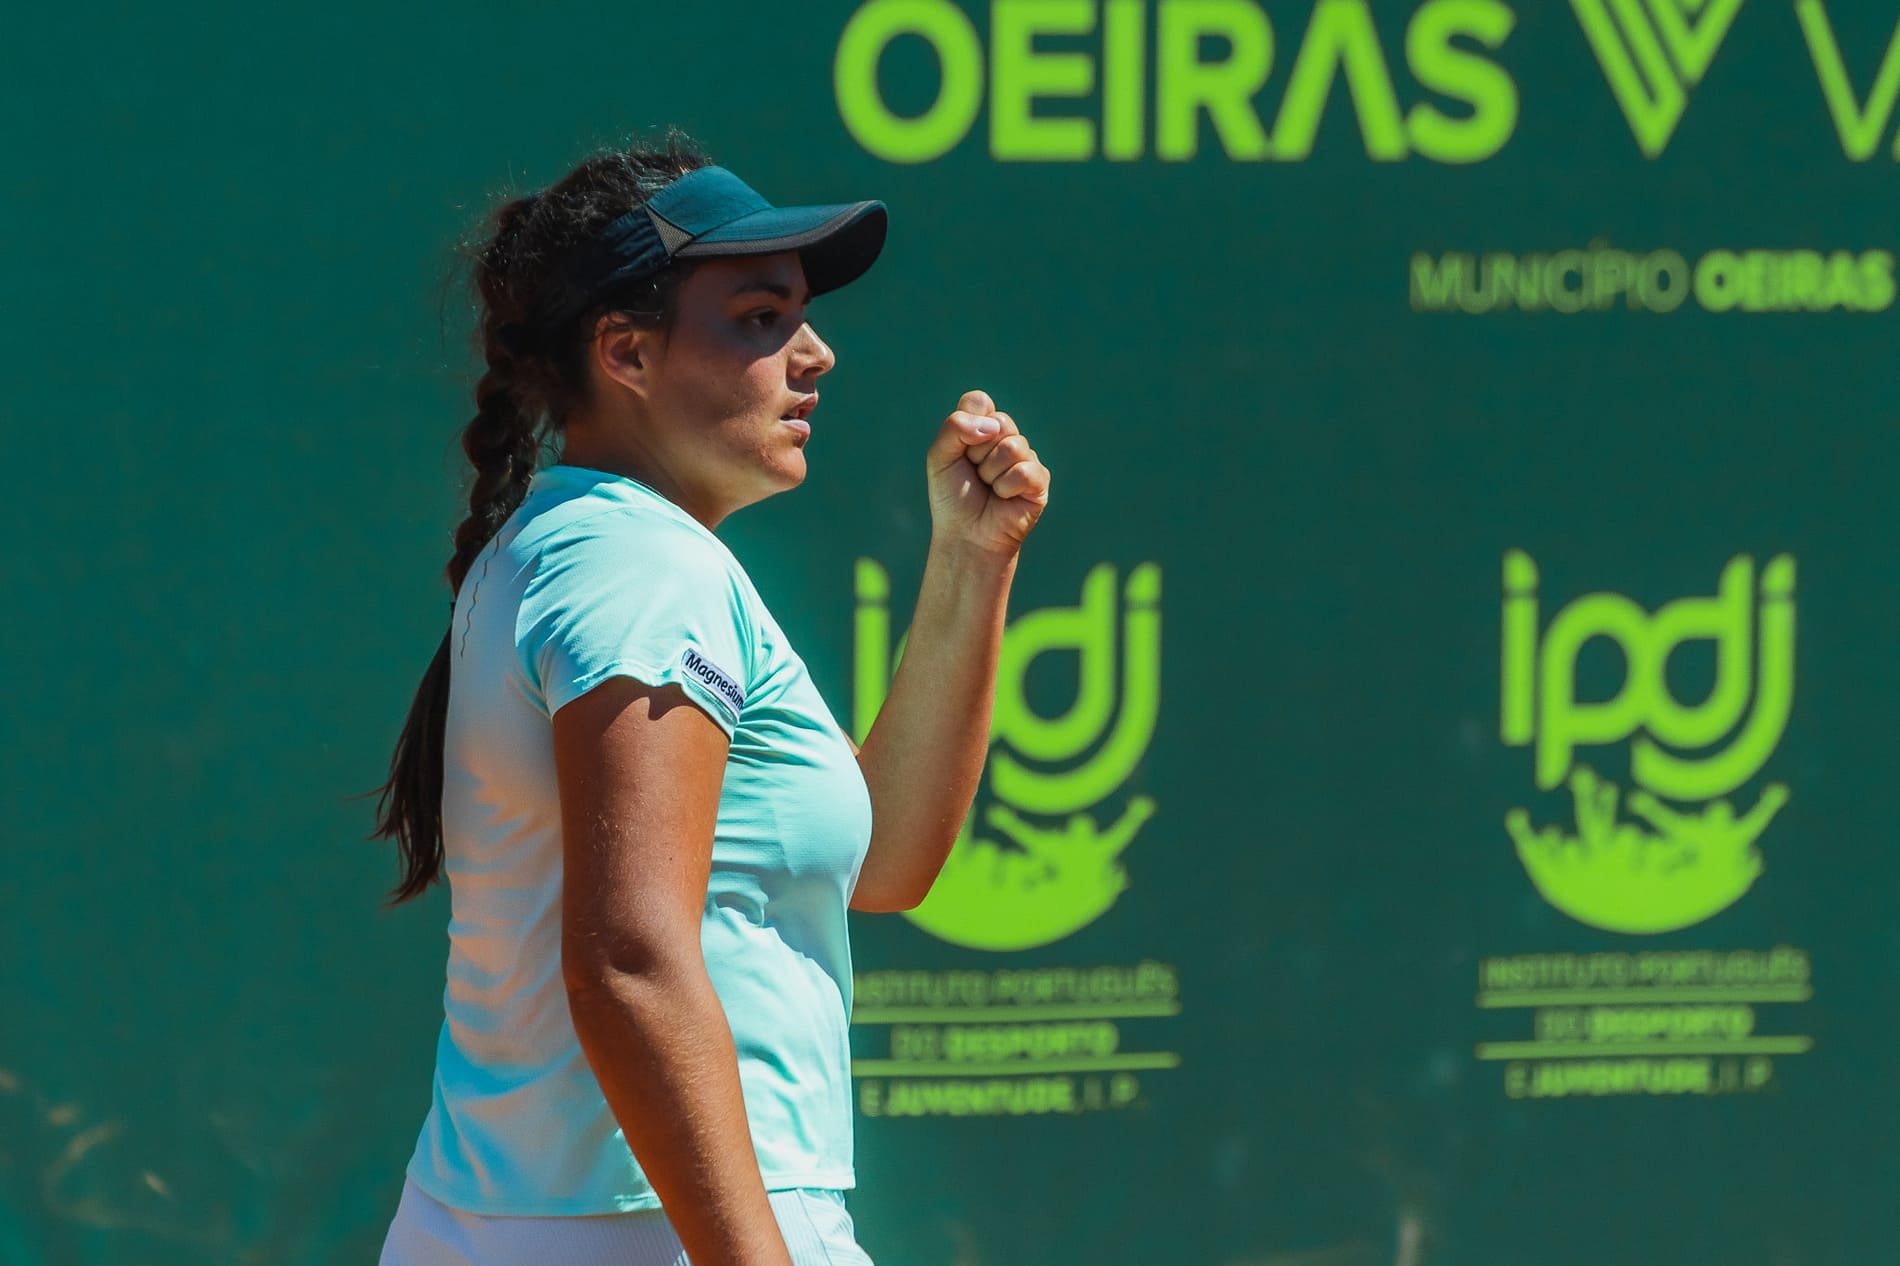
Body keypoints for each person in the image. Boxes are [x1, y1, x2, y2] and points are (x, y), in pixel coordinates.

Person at [370, 130, 1050, 1266]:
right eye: (759, 318)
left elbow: (880, 868)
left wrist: (971, 561)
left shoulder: (586, 548)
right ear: (625, 353)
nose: (815, 353)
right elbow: (630, 961)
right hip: (660, 1236)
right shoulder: (645, 571)